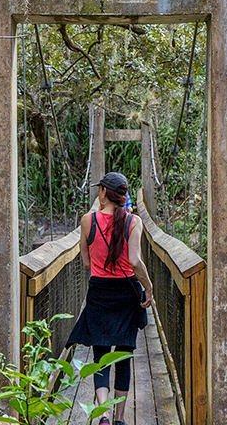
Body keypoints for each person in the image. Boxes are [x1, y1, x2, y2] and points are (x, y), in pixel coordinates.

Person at [66, 172, 154, 425]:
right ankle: (119, 419)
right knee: (123, 356)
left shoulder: (88, 220)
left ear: (104, 192)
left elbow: (85, 262)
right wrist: (148, 288)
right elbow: (135, 261)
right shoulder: (133, 221)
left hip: (99, 292)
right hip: (127, 293)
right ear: (123, 196)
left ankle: (102, 415)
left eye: (99, 189)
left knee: (101, 356)